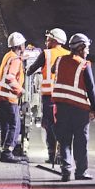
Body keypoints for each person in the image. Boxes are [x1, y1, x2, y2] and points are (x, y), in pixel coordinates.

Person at [48, 33, 95, 180]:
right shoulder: (83, 65)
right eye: (87, 47)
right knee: (80, 141)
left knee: (64, 140)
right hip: (79, 109)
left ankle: (65, 171)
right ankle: (81, 172)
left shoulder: (59, 60)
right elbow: (91, 88)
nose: (88, 51)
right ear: (81, 48)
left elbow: (52, 71)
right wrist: (93, 108)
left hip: (61, 107)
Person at [22, 27, 69, 169]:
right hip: (64, 97)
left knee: (50, 126)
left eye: (48, 39)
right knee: (63, 126)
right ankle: (62, 155)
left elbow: (30, 70)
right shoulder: (68, 54)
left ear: (54, 41)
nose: (46, 41)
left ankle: (51, 153)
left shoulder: (46, 54)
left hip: (49, 97)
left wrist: (24, 62)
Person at [0, 33, 30, 162]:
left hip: (0, 97)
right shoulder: (16, 60)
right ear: (20, 46)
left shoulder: (9, 56)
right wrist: (21, 91)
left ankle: (4, 151)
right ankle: (7, 152)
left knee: (5, 126)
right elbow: (10, 77)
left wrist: (21, 58)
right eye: (23, 44)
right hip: (8, 98)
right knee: (15, 125)